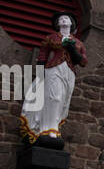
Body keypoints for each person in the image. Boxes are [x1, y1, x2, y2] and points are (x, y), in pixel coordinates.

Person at [19, 11, 87, 149]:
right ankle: (46, 129)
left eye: (66, 18)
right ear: (57, 24)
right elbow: (43, 55)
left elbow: (83, 62)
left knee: (63, 100)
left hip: (69, 72)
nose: (63, 20)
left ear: (71, 23)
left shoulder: (78, 43)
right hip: (54, 69)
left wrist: (73, 50)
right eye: (60, 19)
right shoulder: (51, 38)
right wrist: (39, 74)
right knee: (53, 97)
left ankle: (54, 128)